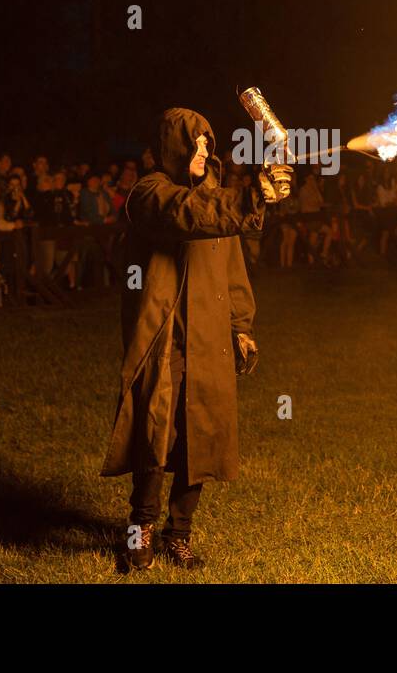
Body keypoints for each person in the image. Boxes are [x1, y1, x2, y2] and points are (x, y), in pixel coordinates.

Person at [100, 107, 292, 571]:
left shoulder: (216, 198)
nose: (203, 151)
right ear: (174, 147)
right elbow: (186, 215)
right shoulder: (149, 194)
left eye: (208, 143)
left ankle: (178, 534)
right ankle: (139, 529)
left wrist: (241, 325)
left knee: (200, 437)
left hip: (209, 337)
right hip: (165, 336)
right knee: (155, 434)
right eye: (195, 143)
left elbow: (233, 268)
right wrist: (249, 196)